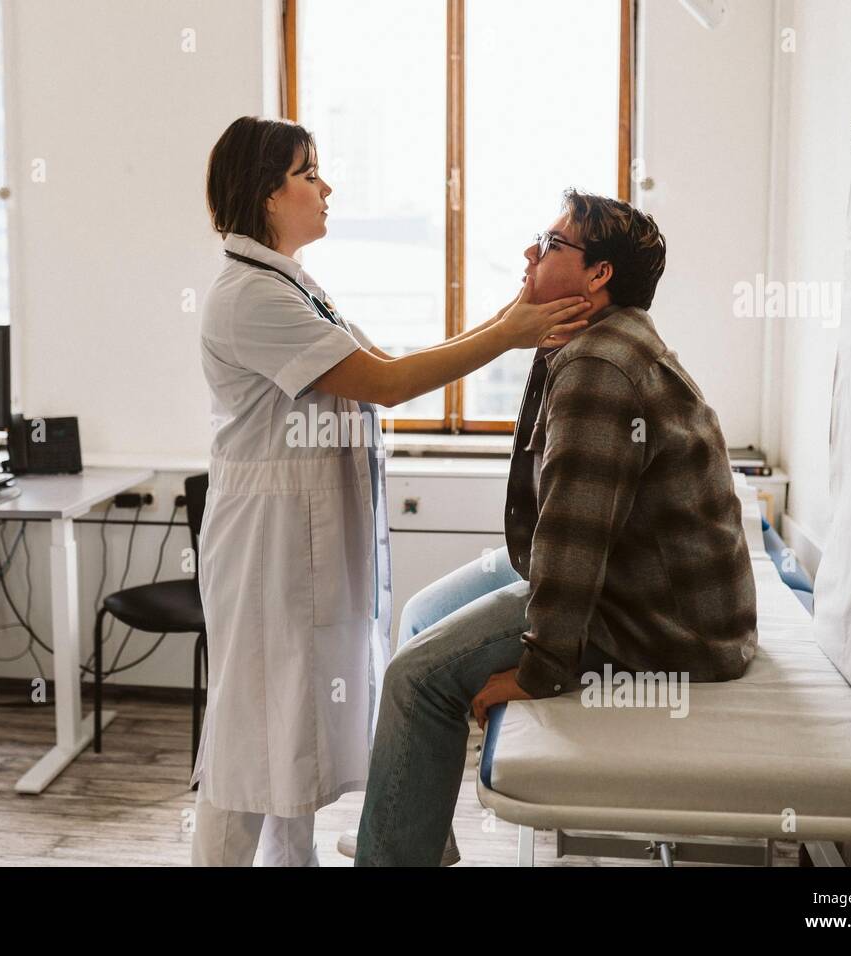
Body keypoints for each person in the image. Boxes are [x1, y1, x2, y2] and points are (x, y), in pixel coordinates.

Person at [191, 116, 593, 866]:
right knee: (252, 742)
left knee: (291, 737)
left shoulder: (294, 282)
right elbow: (388, 384)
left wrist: (511, 320)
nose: (326, 186)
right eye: (309, 173)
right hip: (267, 546)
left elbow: (387, 361)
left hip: (301, 537)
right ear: (267, 194)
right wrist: (511, 332)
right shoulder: (250, 297)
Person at [353, 189, 760, 866]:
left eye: (549, 244)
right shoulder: (598, 340)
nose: (528, 254)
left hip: (657, 623)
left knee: (413, 678)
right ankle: (412, 829)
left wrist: (540, 669)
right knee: (422, 614)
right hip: (643, 594)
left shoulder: (601, 368)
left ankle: (393, 855)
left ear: (598, 275)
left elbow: (575, 539)